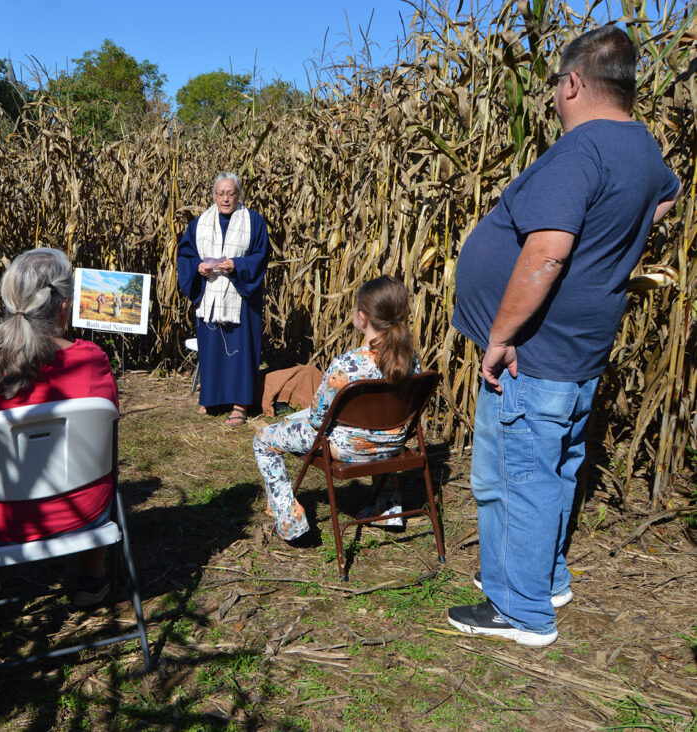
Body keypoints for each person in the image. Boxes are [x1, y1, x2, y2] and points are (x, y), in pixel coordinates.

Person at [447, 25, 680, 647]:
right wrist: (614, 244)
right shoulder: (642, 147)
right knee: (551, 471)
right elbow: (666, 198)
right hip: (578, 352)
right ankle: (540, 577)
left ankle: (521, 611)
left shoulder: (583, 150)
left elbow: (547, 254)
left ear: (573, 82)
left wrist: (501, 334)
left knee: (511, 479)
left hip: (534, 353)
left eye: (555, 84)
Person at [0, 248, 115, 607]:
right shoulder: (91, 361)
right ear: (64, 307)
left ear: (7, 297)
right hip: (84, 512)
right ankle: (92, 581)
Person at [253, 276, 421, 541]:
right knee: (381, 423)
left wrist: (295, 418)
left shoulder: (346, 365)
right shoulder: (411, 360)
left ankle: (289, 519)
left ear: (363, 317)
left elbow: (318, 420)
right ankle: (387, 508)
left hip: (348, 449)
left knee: (263, 440)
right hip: (393, 446)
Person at [177, 172, 269, 425]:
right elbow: (185, 255)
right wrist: (197, 268)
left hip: (241, 298)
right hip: (210, 297)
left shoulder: (253, 221)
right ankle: (212, 398)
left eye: (231, 193)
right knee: (213, 349)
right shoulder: (199, 223)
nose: (226, 199)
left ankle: (240, 405)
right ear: (214, 196)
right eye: (221, 194)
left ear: (239, 195)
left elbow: (261, 257)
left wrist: (237, 265)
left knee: (240, 352)